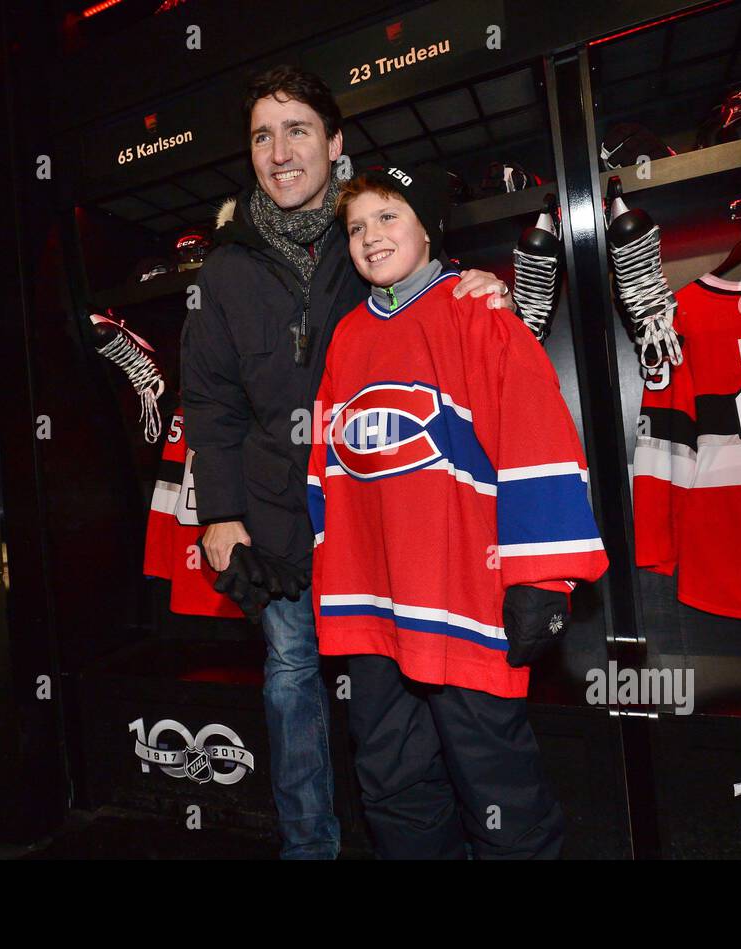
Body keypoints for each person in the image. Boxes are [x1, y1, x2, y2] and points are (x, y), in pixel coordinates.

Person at [180, 65, 512, 860]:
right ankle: (310, 848)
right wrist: (221, 515)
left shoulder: (372, 227)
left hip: (380, 506)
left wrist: (480, 290)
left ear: (336, 142)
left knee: (403, 679)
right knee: (293, 674)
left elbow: (436, 293)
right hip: (279, 513)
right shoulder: (224, 268)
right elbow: (211, 404)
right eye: (263, 134)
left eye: (298, 130)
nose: (280, 150)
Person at [307, 163, 608, 858]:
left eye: (388, 216)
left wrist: (542, 578)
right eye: (356, 226)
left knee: (499, 790)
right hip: (370, 614)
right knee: (391, 782)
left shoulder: (478, 312)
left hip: (463, 606)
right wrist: (325, 556)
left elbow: (537, 438)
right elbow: (324, 464)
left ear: (427, 226)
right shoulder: (348, 335)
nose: (371, 236)